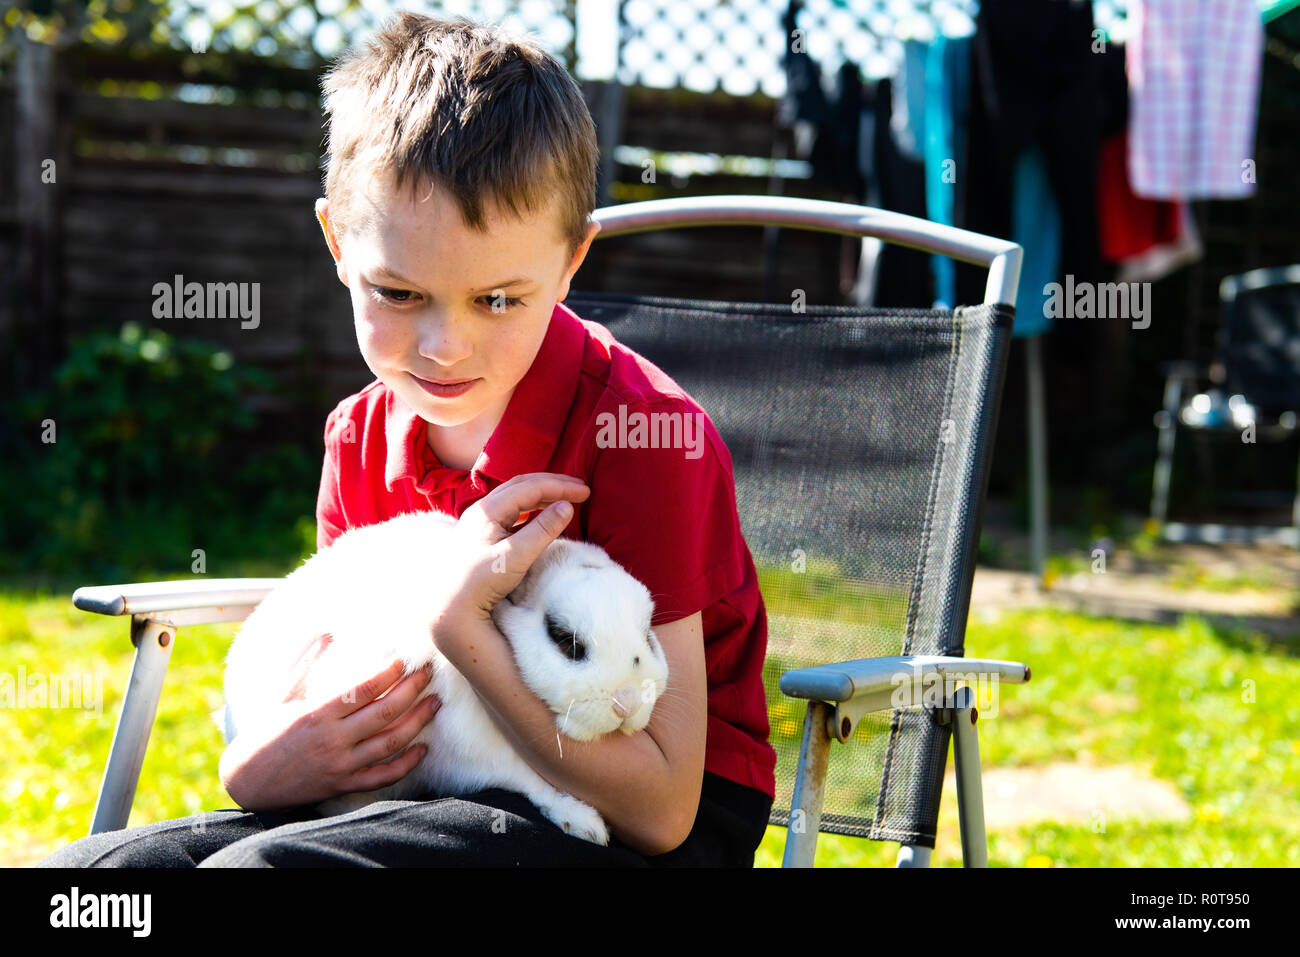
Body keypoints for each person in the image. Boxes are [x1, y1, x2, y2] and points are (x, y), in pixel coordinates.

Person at [39, 12, 775, 868]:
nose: (443, 346)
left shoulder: (645, 438)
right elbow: (350, 699)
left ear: (574, 261)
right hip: (425, 789)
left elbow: (664, 809)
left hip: (628, 822)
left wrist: (459, 621)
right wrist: (256, 769)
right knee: (90, 880)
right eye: (397, 292)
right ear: (338, 247)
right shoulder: (357, 437)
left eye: (497, 299)